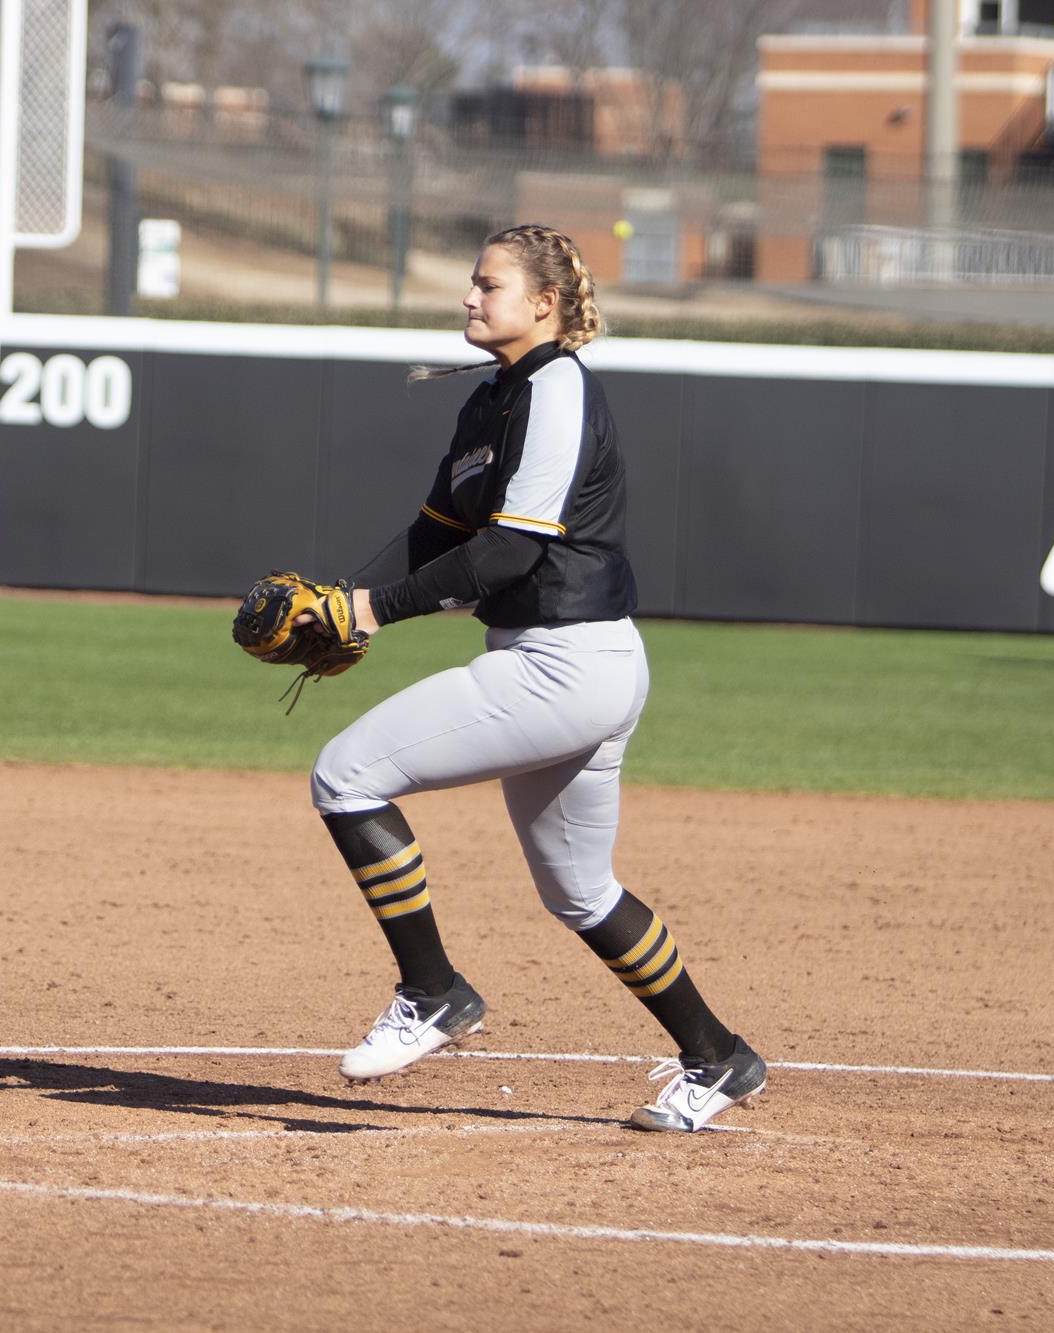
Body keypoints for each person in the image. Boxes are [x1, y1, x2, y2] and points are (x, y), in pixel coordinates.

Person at [298, 223, 764, 1133]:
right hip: (572, 663)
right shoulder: (491, 398)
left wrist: (374, 612)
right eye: (472, 283)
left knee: (345, 776)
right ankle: (719, 1057)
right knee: (580, 892)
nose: (469, 297)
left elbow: (508, 553)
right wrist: (345, 598)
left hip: (565, 664)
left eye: (489, 284)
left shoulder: (557, 388)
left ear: (544, 303)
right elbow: (437, 533)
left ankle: (432, 990)